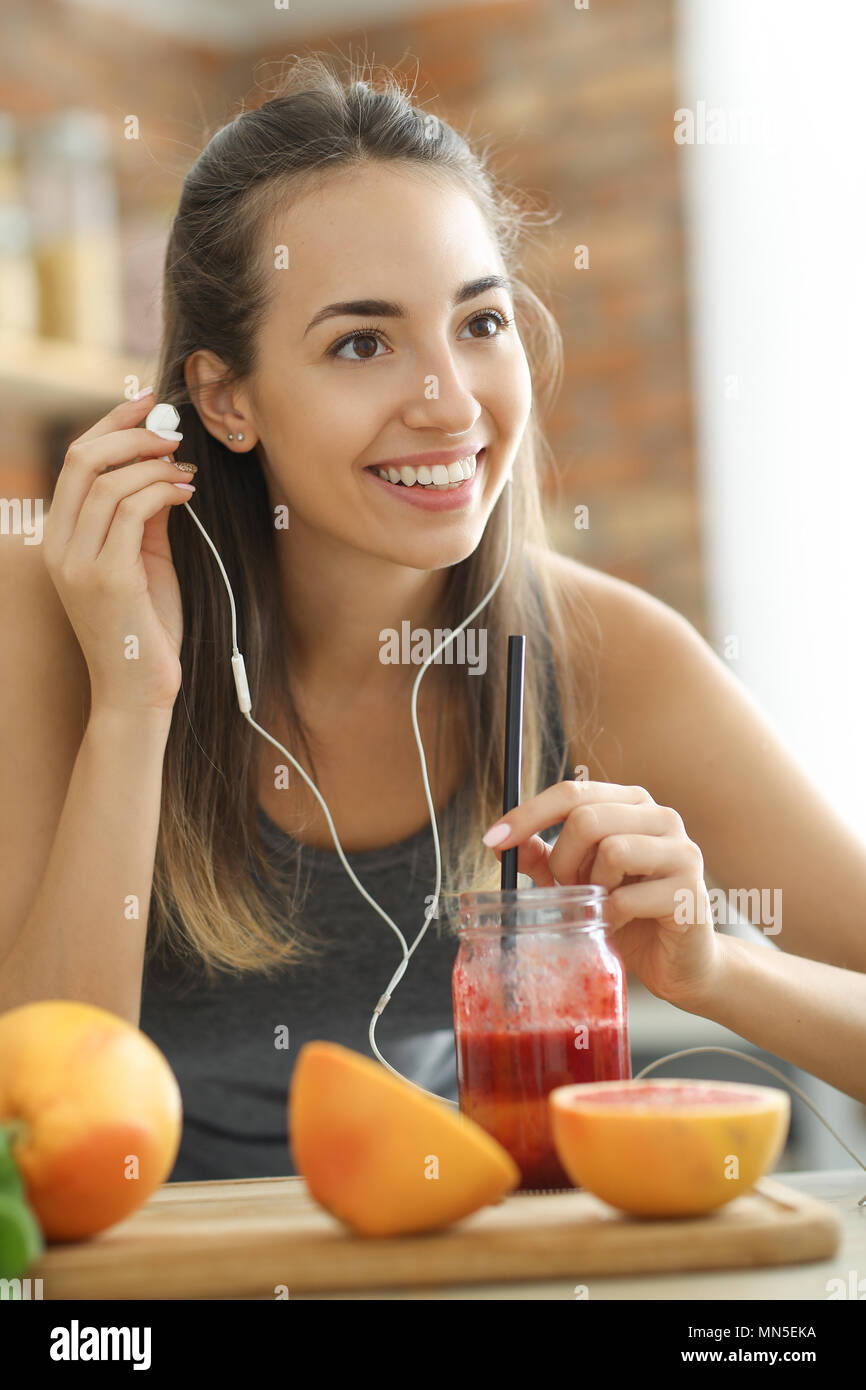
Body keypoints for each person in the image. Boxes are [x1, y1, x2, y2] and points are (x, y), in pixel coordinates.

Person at [3, 56, 866, 1181]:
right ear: (226, 397)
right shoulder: (51, 614)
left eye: (479, 322)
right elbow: (26, 1120)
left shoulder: (602, 653)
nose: (448, 403)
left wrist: (714, 969)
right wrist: (134, 698)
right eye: (362, 342)